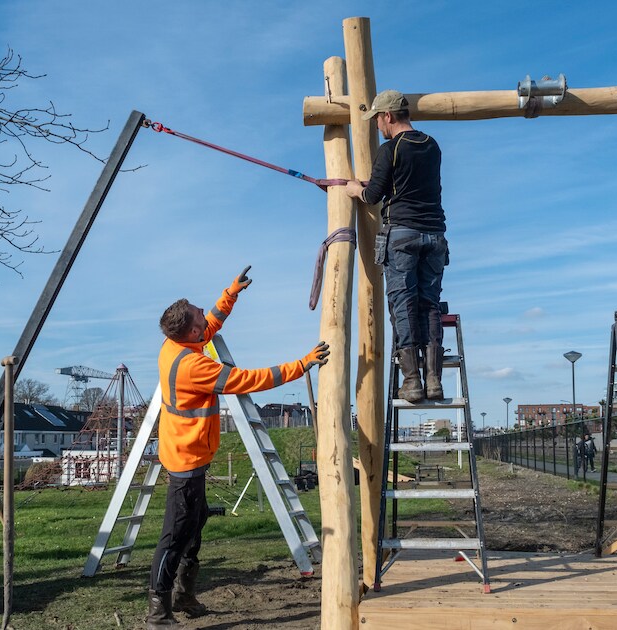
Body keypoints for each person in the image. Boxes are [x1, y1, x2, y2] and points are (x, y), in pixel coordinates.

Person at [146, 266, 331, 629]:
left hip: (188, 457)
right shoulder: (193, 366)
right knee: (175, 536)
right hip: (185, 463)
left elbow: (209, 324)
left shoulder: (177, 344)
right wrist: (303, 365)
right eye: (200, 313)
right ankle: (158, 612)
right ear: (193, 333)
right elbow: (250, 379)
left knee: (193, 528)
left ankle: (184, 595)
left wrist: (231, 293)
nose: (205, 313)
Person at [345, 89, 447, 403]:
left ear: (388, 116)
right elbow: (407, 184)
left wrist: (353, 189)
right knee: (429, 304)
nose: (377, 125)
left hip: (402, 235)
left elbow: (374, 196)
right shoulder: (431, 145)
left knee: (402, 305)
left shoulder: (390, 149)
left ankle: (412, 381)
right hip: (434, 234)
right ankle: (434, 380)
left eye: (377, 119)